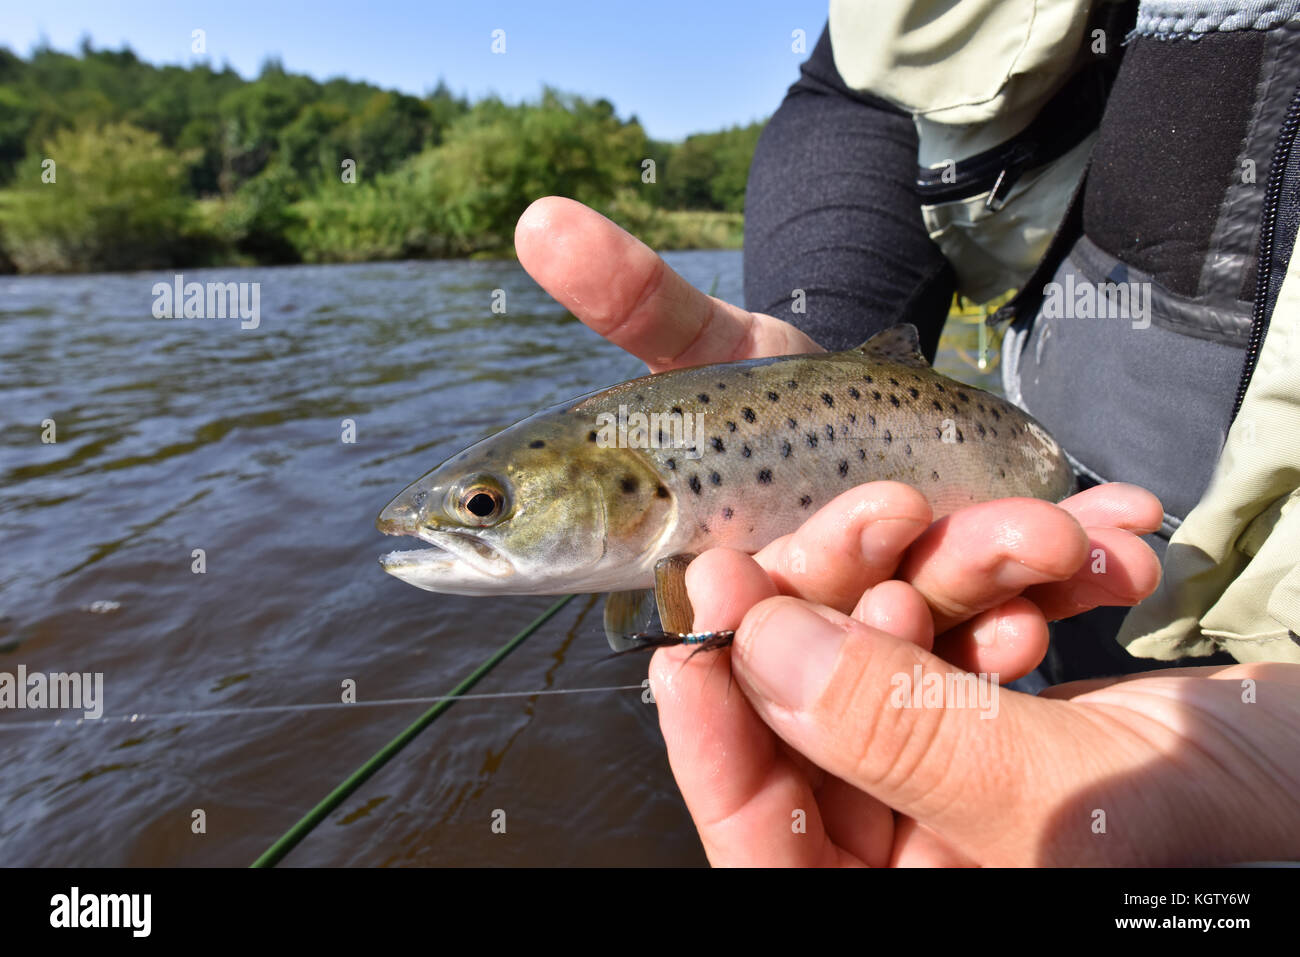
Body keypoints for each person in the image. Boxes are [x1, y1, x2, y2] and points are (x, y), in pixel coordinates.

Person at [510, 0, 1300, 864]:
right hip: (1073, 554)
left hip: (1090, 521)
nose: (472, 521)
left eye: (486, 505)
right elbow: (863, 93)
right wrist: (824, 353)